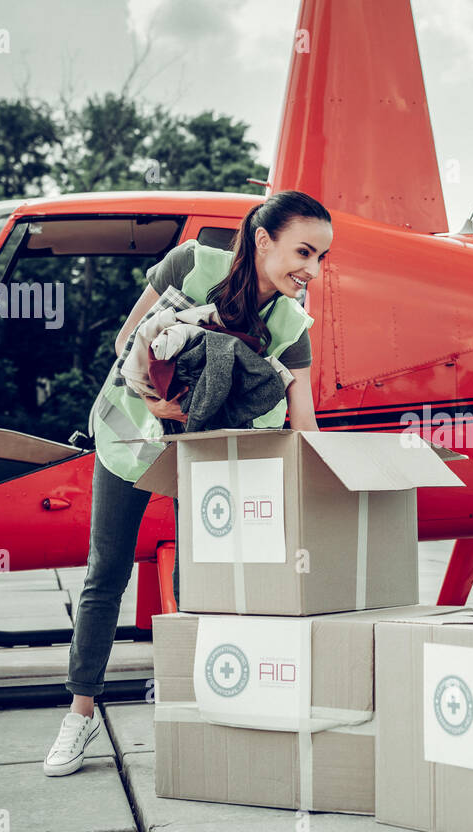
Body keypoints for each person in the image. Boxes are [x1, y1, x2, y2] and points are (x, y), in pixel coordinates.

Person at [44, 190, 333, 776]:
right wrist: (163, 398)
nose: (313, 270)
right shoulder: (189, 265)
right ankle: (79, 714)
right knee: (107, 572)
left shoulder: (290, 324)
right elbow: (128, 342)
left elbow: (303, 422)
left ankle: (214, 708)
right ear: (262, 240)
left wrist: (333, 479)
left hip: (209, 455)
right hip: (131, 436)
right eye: (304, 251)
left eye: (322, 257)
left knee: (209, 582)